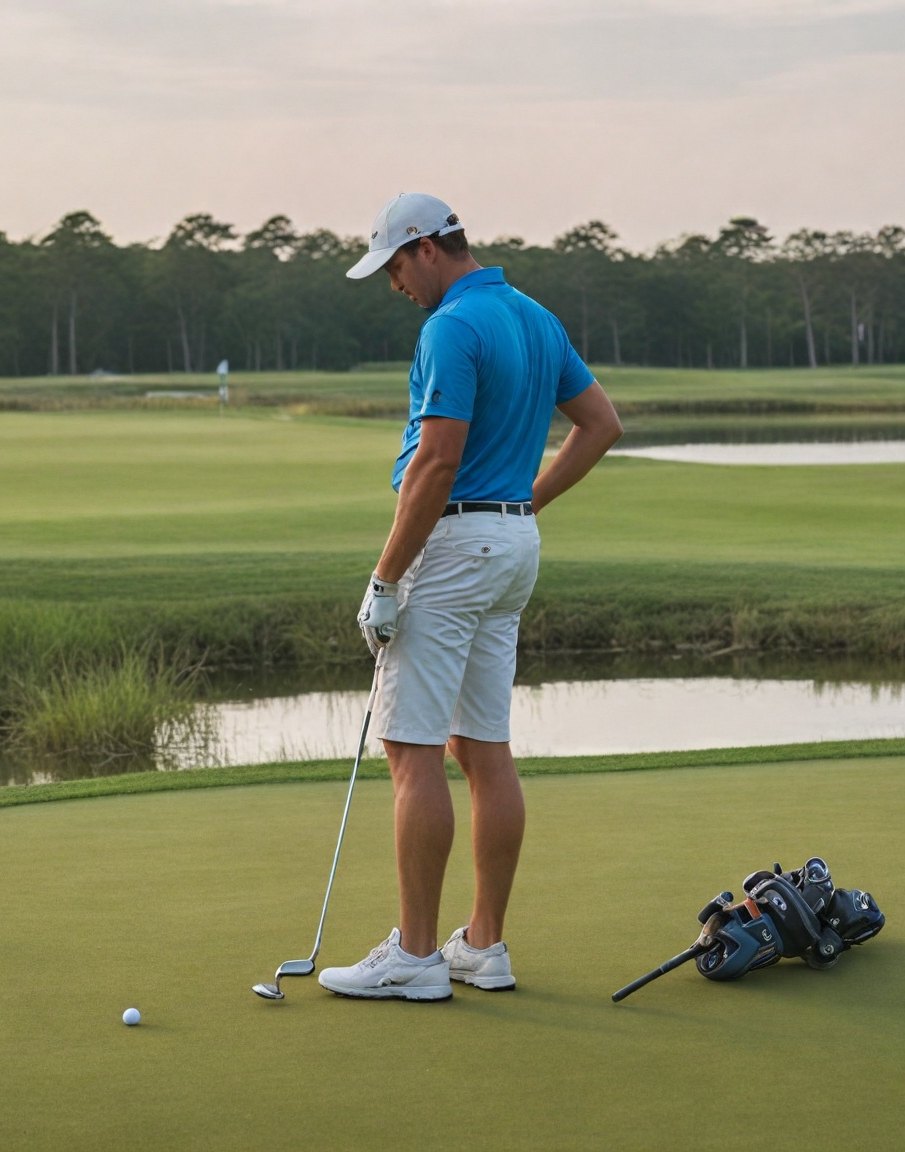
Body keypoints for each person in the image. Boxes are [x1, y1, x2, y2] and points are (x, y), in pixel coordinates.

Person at [318, 193, 622, 1001]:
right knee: (481, 745)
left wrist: (385, 577)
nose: (394, 286)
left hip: (451, 551)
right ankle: (483, 945)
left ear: (424, 248)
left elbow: (436, 462)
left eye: (393, 268)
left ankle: (417, 957)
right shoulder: (532, 315)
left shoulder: (450, 326)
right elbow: (600, 424)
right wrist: (522, 504)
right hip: (512, 546)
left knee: (413, 752)